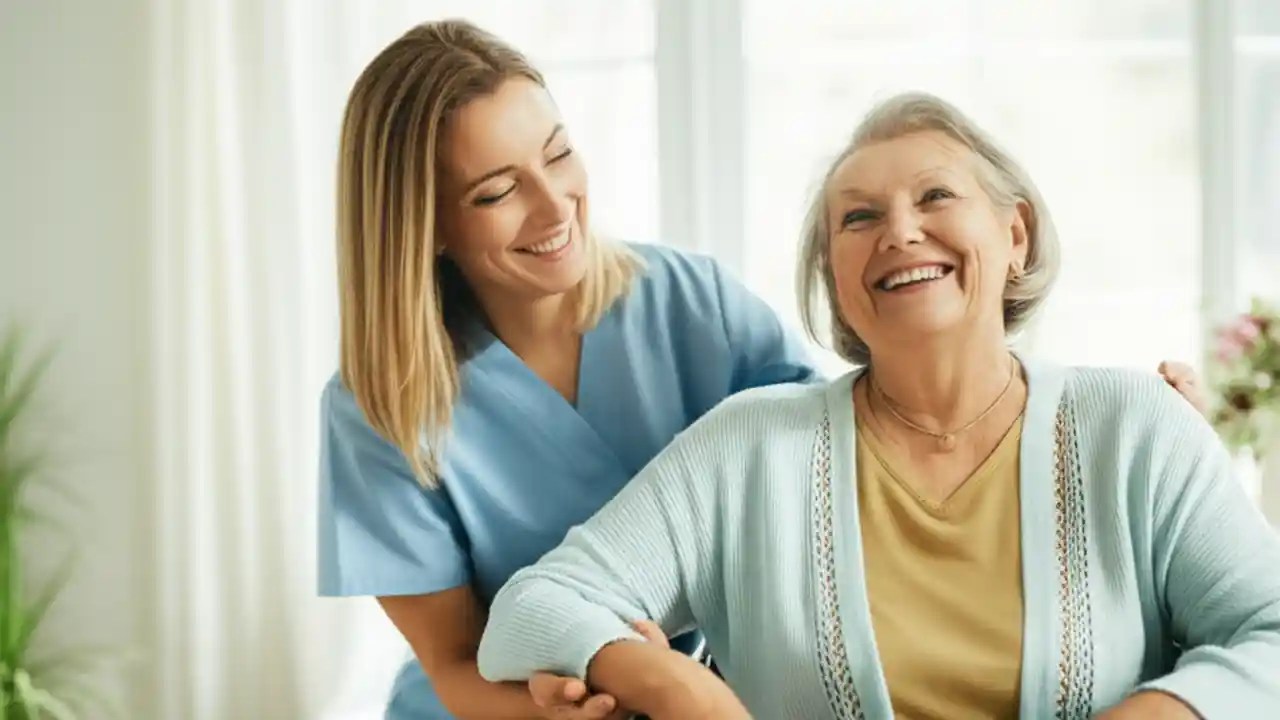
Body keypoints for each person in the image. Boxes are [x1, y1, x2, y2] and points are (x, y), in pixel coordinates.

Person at [475, 92, 1280, 719]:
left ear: (1017, 237)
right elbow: (530, 611)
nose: (900, 231)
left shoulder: (1136, 426)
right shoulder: (748, 447)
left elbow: (1269, 631)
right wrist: (681, 689)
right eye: (859, 217)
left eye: (935, 196)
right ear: (835, 278)